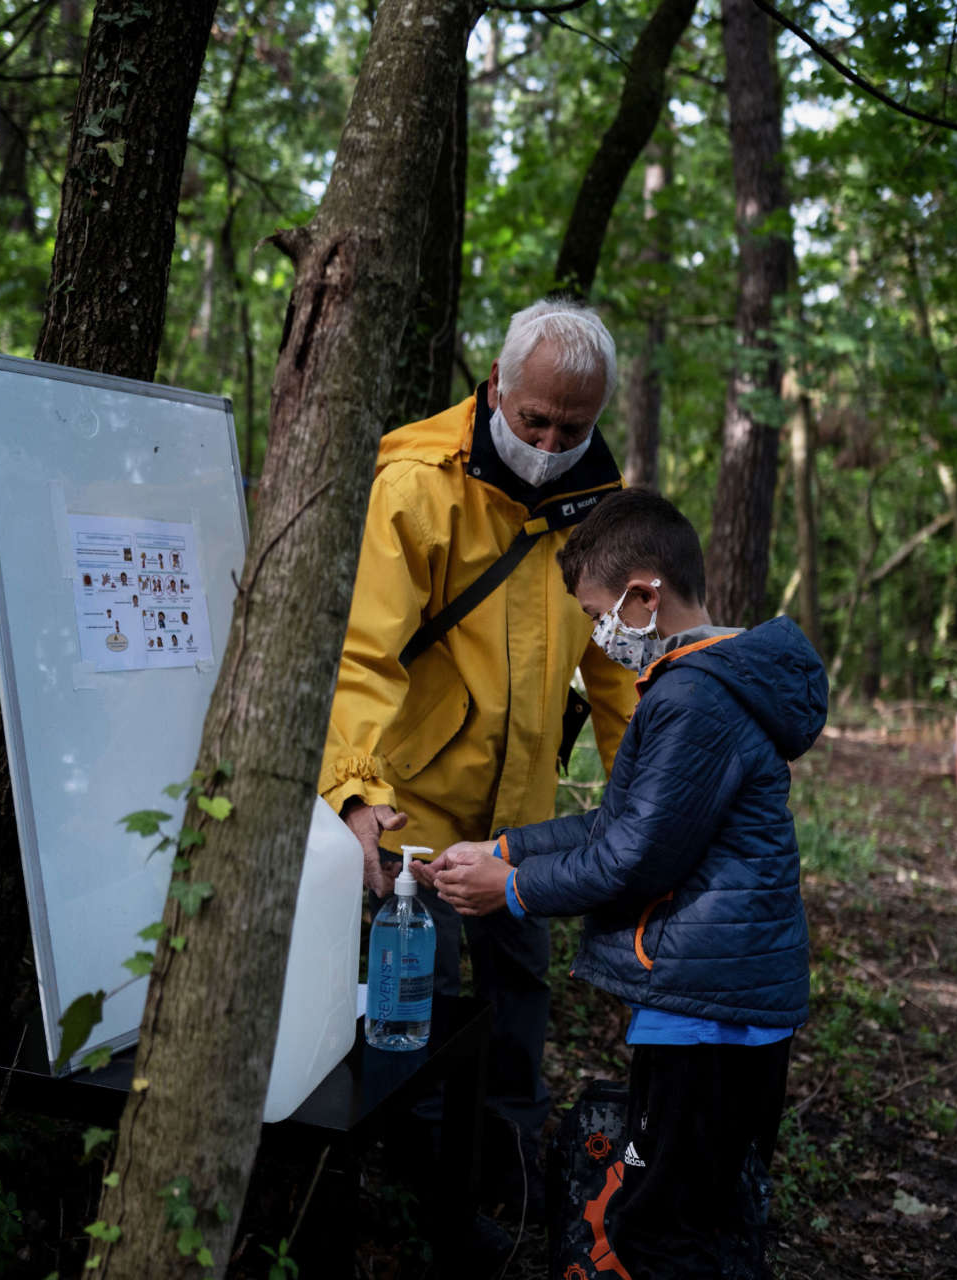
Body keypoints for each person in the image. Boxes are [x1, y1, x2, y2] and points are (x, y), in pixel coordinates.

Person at [430, 489, 826, 1280]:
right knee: (701, 1209)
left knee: (660, 1226)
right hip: (717, 1003)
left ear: (645, 595)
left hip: (706, 1018)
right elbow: (619, 824)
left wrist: (508, 889)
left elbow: (632, 859)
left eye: (596, 613)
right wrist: (505, 845)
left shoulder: (695, 698)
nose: (598, 634)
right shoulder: (704, 684)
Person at [319, 299, 642, 1195]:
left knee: (517, 1010)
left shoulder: (604, 516)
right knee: (418, 1012)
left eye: (571, 426)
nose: (547, 439)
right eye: (533, 417)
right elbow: (363, 655)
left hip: (524, 831)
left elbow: (623, 682)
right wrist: (356, 792)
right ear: (496, 385)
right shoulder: (418, 485)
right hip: (413, 818)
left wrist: (650, 805)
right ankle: (427, 1196)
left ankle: (510, 1179)